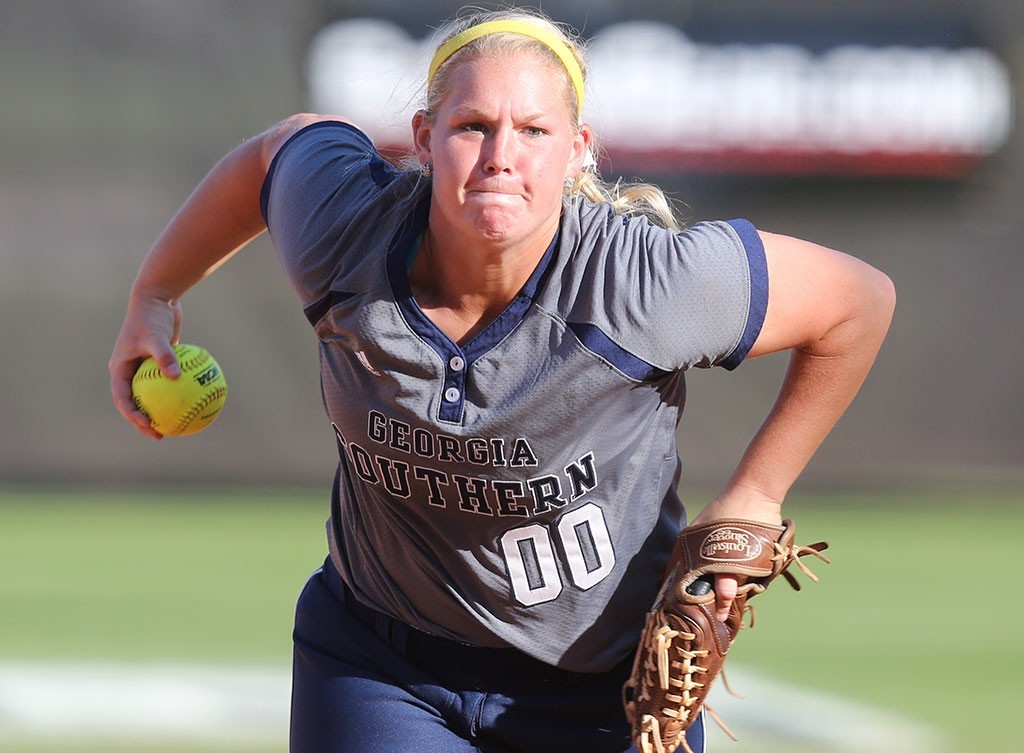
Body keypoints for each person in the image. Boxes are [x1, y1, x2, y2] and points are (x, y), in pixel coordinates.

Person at [109, 7, 895, 753]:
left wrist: (757, 492)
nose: (500, 156)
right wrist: (154, 294)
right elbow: (277, 150)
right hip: (381, 664)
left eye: (533, 130)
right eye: (472, 126)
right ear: (423, 137)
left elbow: (858, 303)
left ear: (578, 147)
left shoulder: (642, 281)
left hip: (601, 685)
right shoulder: (346, 232)